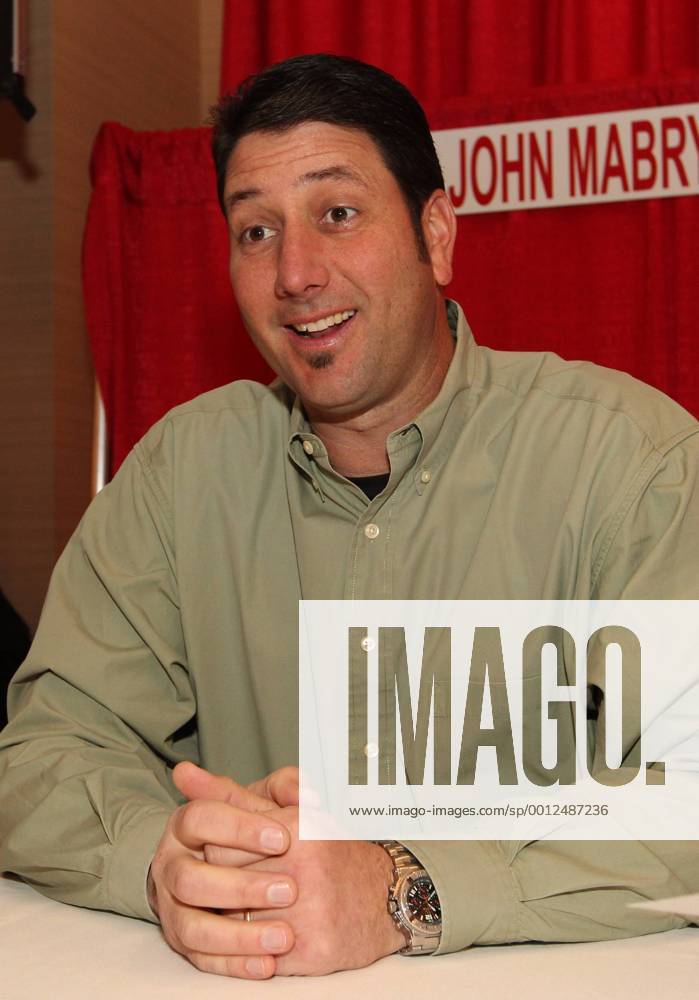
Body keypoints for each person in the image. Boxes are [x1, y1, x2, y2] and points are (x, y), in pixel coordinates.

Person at [1, 53, 698, 981]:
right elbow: (46, 748)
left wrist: (400, 887)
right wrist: (168, 856)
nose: (295, 272)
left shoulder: (629, 462)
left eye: (336, 213)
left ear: (436, 234)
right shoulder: (181, 471)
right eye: (255, 231)